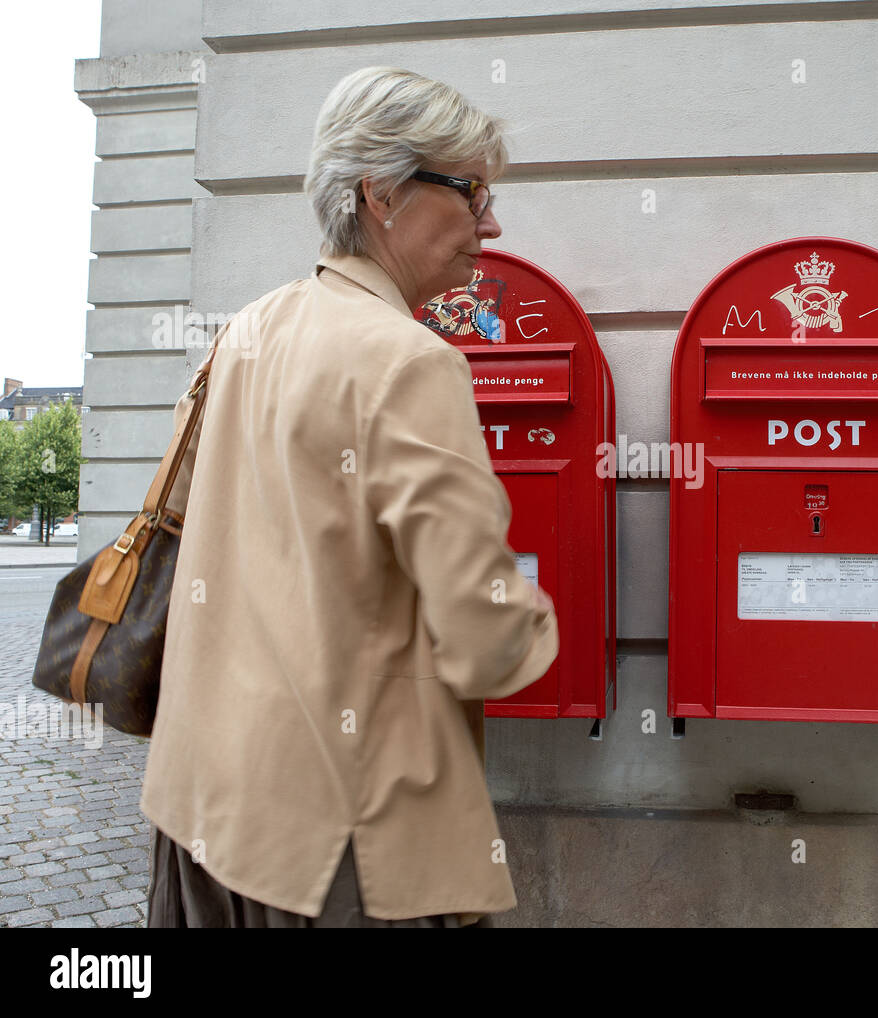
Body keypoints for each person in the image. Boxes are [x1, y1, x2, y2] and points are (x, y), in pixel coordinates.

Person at [141, 66, 559, 927]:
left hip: (201, 803)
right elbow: (485, 637)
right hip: (338, 835)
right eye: (472, 190)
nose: (492, 222)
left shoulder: (248, 330)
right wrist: (534, 622)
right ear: (383, 194)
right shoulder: (409, 360)